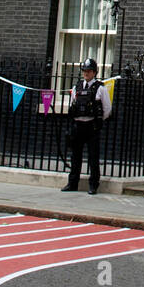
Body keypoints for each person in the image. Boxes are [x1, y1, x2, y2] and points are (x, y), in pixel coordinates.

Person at [62, 58, 111, 194]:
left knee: (93, 156)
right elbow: (73, 104)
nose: (86, 73)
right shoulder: (76, 87)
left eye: (89, 71)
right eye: (84, 71)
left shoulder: (100, 88)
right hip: (78, 125)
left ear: (94, 72)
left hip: (92, 126)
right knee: (75, 156)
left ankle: (93, 184)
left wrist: (98, 120)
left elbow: (107, 108)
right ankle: (72, 183)